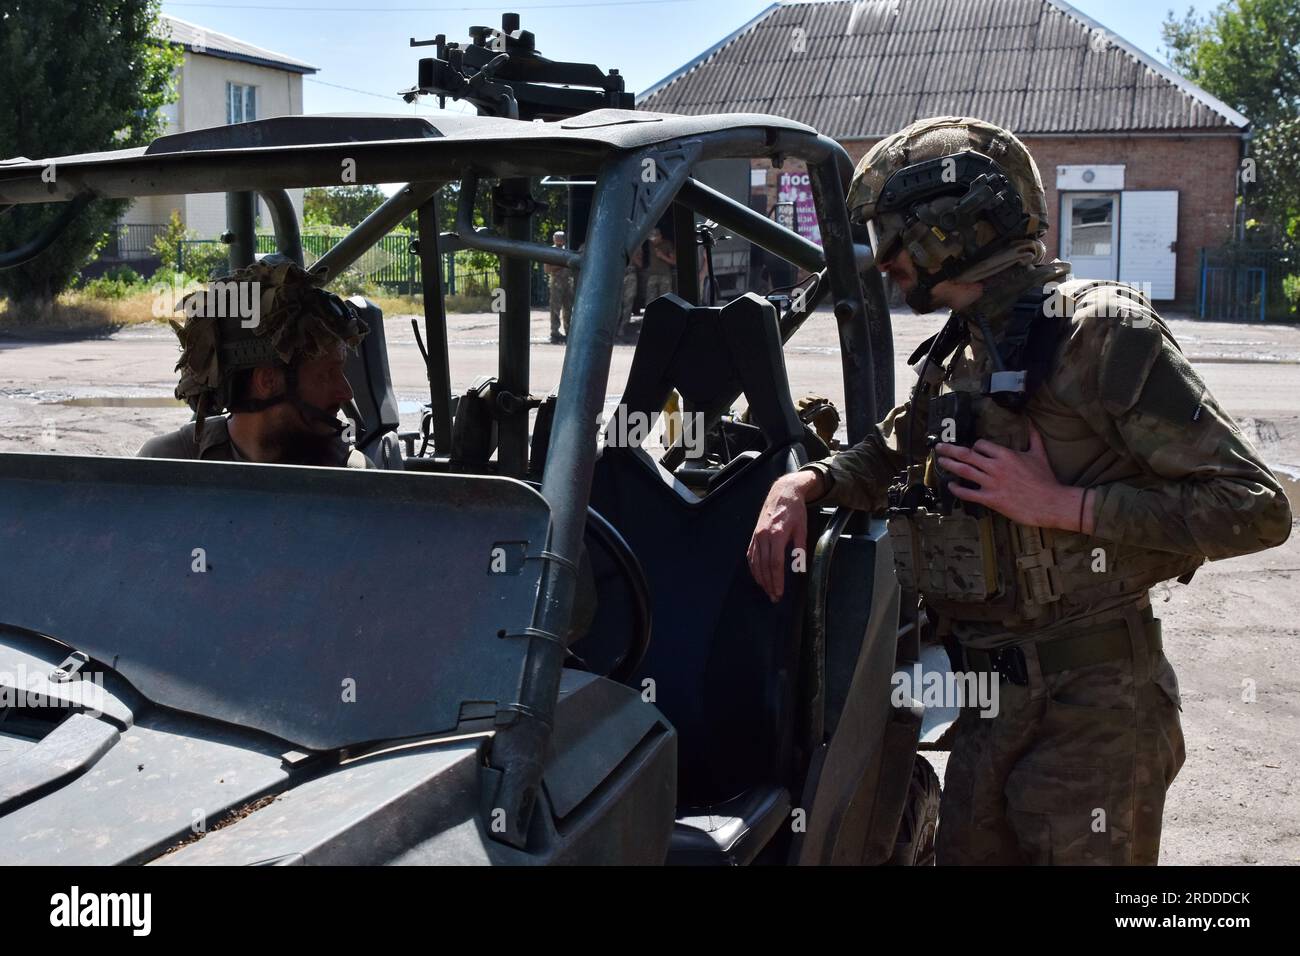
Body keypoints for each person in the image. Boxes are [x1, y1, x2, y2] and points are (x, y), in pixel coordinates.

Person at [746, 116, 1292, 865]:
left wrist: (1063, 506)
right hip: (987, 707)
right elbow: (891, 449)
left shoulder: (1100, 333)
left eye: (892, 235)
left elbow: (1255, 508)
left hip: (1093, 713)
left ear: (951, 228)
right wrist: (803, 483)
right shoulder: (966, 349)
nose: (881, 262)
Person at [139, 256, 375, 468]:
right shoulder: (166, 465)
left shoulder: (351, 476)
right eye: (325, 375)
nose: (345, 392)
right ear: (267, 380)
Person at [545, 229, 573, 344]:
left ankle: (569, 331)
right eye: (558, 238)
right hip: (556, 282)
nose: (560, 240)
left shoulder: (567, 250)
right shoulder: (551, 251)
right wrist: (561, 265)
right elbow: (547, 269)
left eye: (561, 238)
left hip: (568, 283)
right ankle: (554, 331)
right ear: (554, 239)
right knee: (555, 308)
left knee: (568, 308)